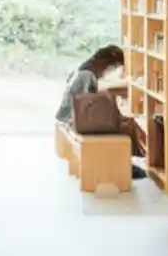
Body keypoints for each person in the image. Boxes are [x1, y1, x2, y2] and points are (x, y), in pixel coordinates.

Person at [54, 44, 148, 179]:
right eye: (112, 67)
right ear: (103, 62)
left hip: (68, 117)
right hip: (74, 120)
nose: (108, 72)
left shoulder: (81, 71)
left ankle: (129, 161)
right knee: (128, 125)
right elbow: (86, 106)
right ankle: (126, 164)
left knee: (125, 121)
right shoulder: (87, 76)